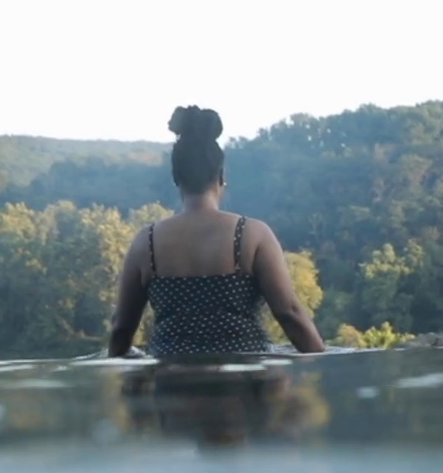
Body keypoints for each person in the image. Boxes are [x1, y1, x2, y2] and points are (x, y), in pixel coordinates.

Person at [107, 106, 327, 356]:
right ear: (221, 176)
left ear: (176, 178)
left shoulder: (145, 242)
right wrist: (324, 364)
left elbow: (122, 329)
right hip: (245, 384)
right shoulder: (252, 235)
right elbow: (289, 314)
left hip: (170, 384)